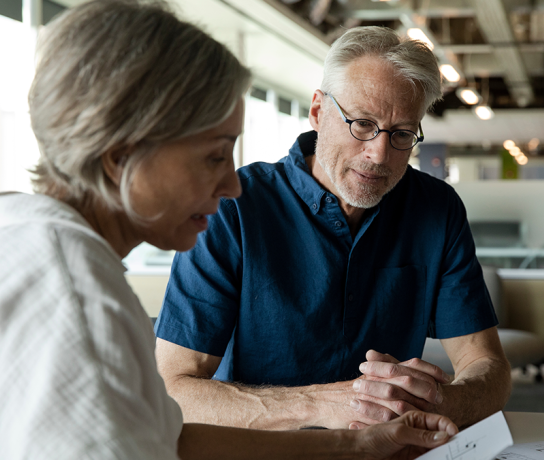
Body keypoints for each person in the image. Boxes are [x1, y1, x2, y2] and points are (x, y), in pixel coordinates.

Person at [0, 1, 459, 458]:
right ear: (122, 156)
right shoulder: (75, 300)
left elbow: (168, 442)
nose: (232, 184)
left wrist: (356, 446)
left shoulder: (31, 252)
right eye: (213, 156)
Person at [154, 26, 512, 431]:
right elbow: (173, 390)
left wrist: (437, 400)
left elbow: (489, 368)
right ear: (318, 112)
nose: (379, 153)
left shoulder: (436, 208)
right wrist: (324, 405)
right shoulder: (234, 205)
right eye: (362, 123)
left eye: (402, 134)